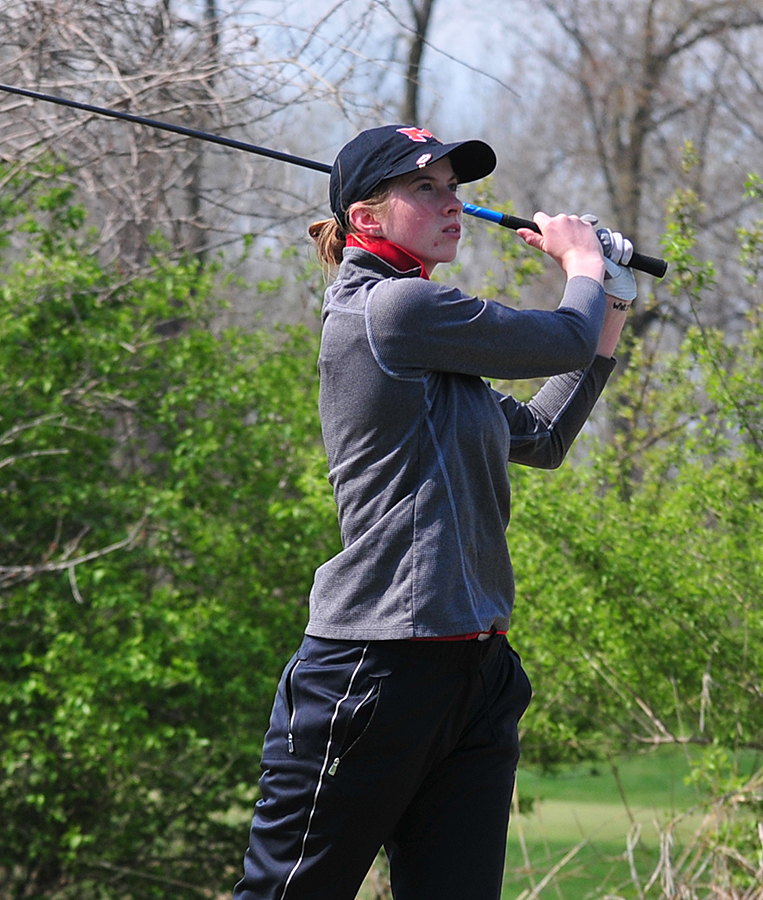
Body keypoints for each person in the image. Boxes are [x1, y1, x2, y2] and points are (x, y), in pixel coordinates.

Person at [232, 124, 635, 900]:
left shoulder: (435, 351)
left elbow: (546, 437)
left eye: (455, 189)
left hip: (473, 672)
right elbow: (562, 336)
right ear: (368, 219)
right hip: (373, 668)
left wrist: (612, 294)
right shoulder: (390, 313)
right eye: (428, 188)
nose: (454, 204)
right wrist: (580, 264)